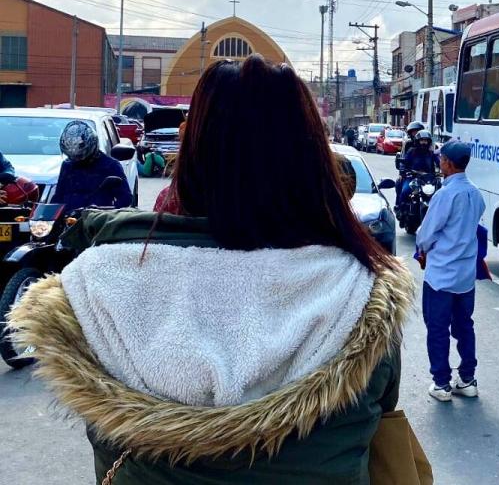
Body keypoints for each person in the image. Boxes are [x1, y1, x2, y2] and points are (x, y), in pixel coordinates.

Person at [9, 55, 418, 482]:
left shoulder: (95, 285)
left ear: (192, 152)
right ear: (312, 157)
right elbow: (377, 418)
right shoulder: (360, 294)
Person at [415, 140, 486, 402]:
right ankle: (467, 379)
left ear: (448, 163)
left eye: (441, 158)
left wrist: (422, 248)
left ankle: (442, 384)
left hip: (441, 276)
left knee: (437, 328)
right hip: (465, 276)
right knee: (464, 325)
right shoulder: (475, 194)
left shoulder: (445, 195)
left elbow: (426, 234)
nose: (439, 161)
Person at [50, 120, 132, 213]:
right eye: (73, 156)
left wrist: (108, 212)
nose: (77, 159)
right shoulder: (67, 165)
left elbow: (125, 198)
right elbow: (58, 196)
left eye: (80, 156)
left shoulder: (110, 166)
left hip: (97, 221)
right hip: (68, 221)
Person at [398, 130, 439, 200]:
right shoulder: (411, 152)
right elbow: (404, 162)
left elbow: (439, 163)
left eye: (426, 141)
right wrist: (402, 171)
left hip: (428, 180)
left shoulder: (431, 153)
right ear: (417, 141)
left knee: (439, 191)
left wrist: (445, 171)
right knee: (405, 191)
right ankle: (403, 208)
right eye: (422, 140)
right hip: (413, 178)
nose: (424, 142)